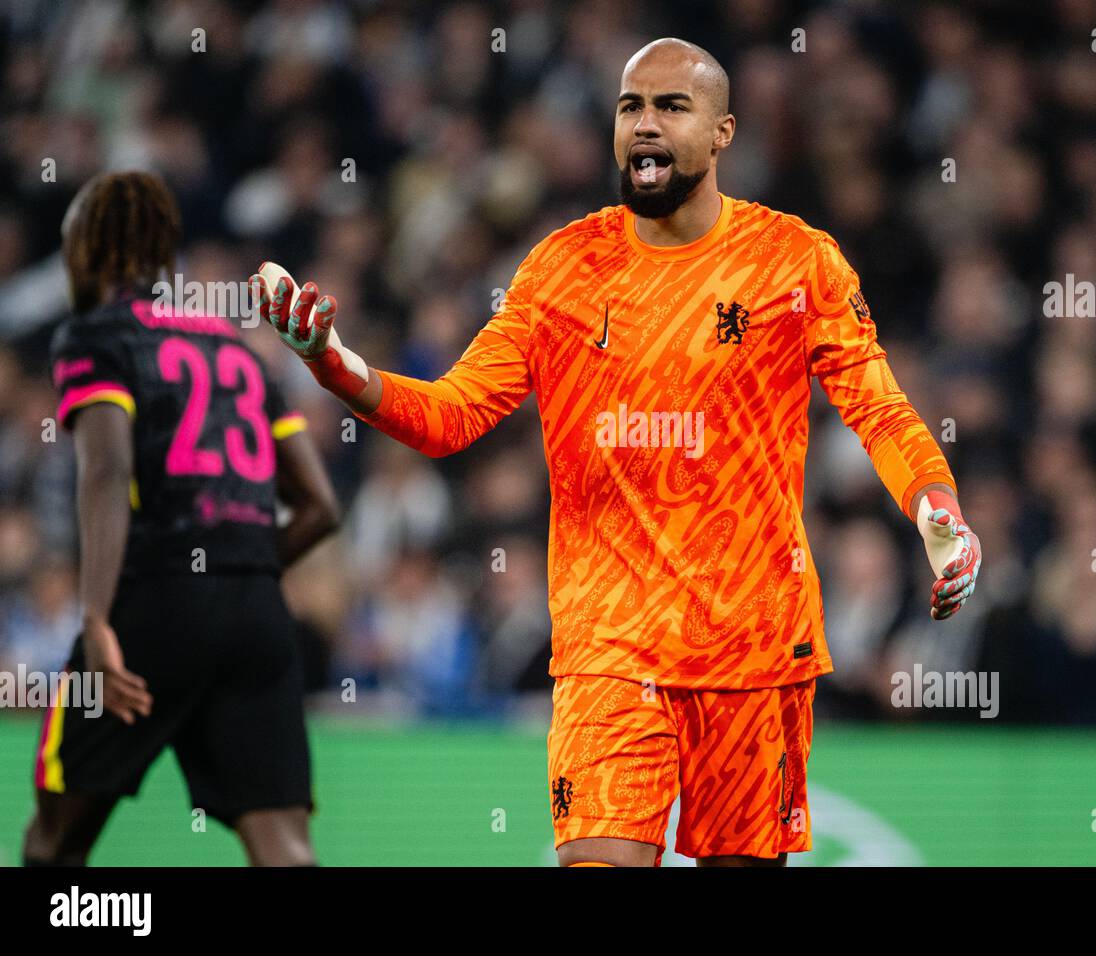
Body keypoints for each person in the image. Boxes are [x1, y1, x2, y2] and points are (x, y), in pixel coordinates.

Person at [254, 38, 981, 867]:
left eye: (672, 107)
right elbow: (451, 415)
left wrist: (936, 504)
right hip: (609, 646)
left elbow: (878, 409)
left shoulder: (795, 262)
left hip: (751, 642)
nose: (645, 124)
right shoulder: (563, 267)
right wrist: (333, 364)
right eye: (631, 106)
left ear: (722, 133)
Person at [23, 171, 340, 866]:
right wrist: (243, 572)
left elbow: (107, 473)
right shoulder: (238, 350)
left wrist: (98, 619)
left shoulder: (93, 337)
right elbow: (321, 507)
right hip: (258, 611)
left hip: (149, 603)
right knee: (284, 847)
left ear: (87, 250)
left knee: (53, 840)